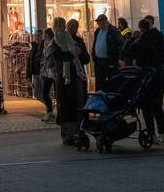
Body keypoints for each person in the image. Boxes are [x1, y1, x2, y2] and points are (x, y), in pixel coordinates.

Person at [130, 17, 164, 143]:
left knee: (146, 108)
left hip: (145, 78)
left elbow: (130, 53)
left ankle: (151, 132)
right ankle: (161, 133)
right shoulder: (158, 36)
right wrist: (160, 66)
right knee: (157, 106)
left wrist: (132, 39)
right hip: (157, 75)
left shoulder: (141, 40)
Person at [51, 17, 86, 145]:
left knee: (75, 105)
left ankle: (76, 132)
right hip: (64, 77)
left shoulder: (72, 39)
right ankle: (68, 135)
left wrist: (79, 53)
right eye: (64, 25)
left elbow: (84, 57)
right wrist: (73, 55)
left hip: (73, 76)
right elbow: (57, 56)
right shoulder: (56, 39)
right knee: (66, 106)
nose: (65, 27)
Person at [91, 13, 124, 91]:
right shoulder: (98, 31)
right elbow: (95, 43)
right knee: (99, 83)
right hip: (99, 62)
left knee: (112, 83)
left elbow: (120, 44)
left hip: (110, 61)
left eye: (100, 21)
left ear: (105, 21)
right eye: (98, 22)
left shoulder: (113, 30)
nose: (98, 23)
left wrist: (119, 58)